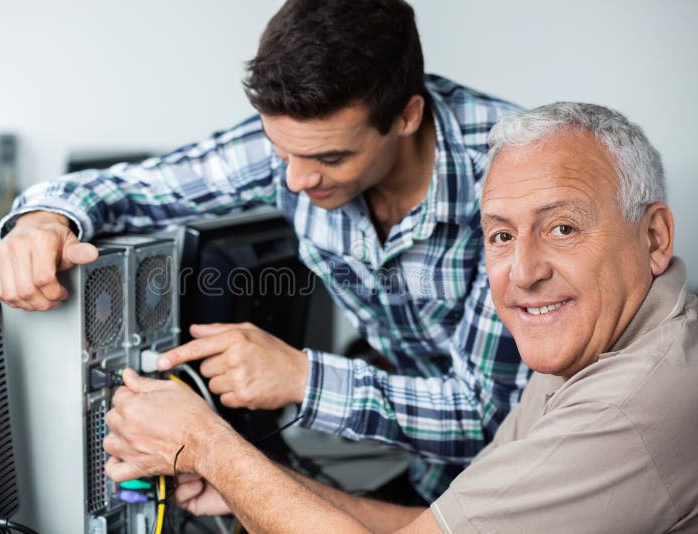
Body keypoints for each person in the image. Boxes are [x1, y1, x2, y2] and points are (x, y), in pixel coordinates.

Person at [0, 0, 526, 501]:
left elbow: (492, 419)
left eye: (331, 158)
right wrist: (43, 220)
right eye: (280, 150)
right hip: (430, 478)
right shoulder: (300, 142)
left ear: (407, 117)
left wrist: (301, 378)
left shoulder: (515, 175)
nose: (294, 180)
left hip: (526, 483)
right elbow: (131, 188)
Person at [102, 102, 698, 533]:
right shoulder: (591, 338)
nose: (522, 272)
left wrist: (207, 445)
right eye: (499, 235)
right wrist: (244, 489)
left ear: (654, 238)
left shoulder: (635, 402)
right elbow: (433, 525)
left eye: (563, 228)